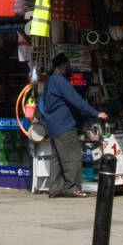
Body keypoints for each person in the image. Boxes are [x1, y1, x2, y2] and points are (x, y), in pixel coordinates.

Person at [41, 53, 104, 198]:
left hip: (53, 124)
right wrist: (96, 113)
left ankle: (55, 188)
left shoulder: (50, 81)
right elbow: (76, 100)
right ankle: (73, 187)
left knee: (57, 158)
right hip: (64, 124)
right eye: (68, 64)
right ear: (62, 66)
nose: (69, 67)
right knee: (73, 155)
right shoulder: (60, 81)